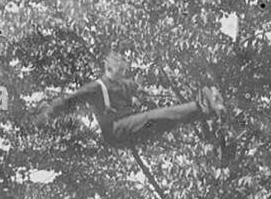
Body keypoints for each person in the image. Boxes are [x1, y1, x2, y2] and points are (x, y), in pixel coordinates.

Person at [41, 50, 224, 149]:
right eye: (120, 72)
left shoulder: (124, 84)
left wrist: (141, 83)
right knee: (153, 117)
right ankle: (201, 105)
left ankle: (207, 111)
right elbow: (69, 100)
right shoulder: (96, 88)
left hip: (130, 131)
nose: (122, 76)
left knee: (166, 121)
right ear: (109, 69)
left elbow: (135, 84)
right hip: (115, 132)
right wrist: (48, 114)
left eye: (124, 72)